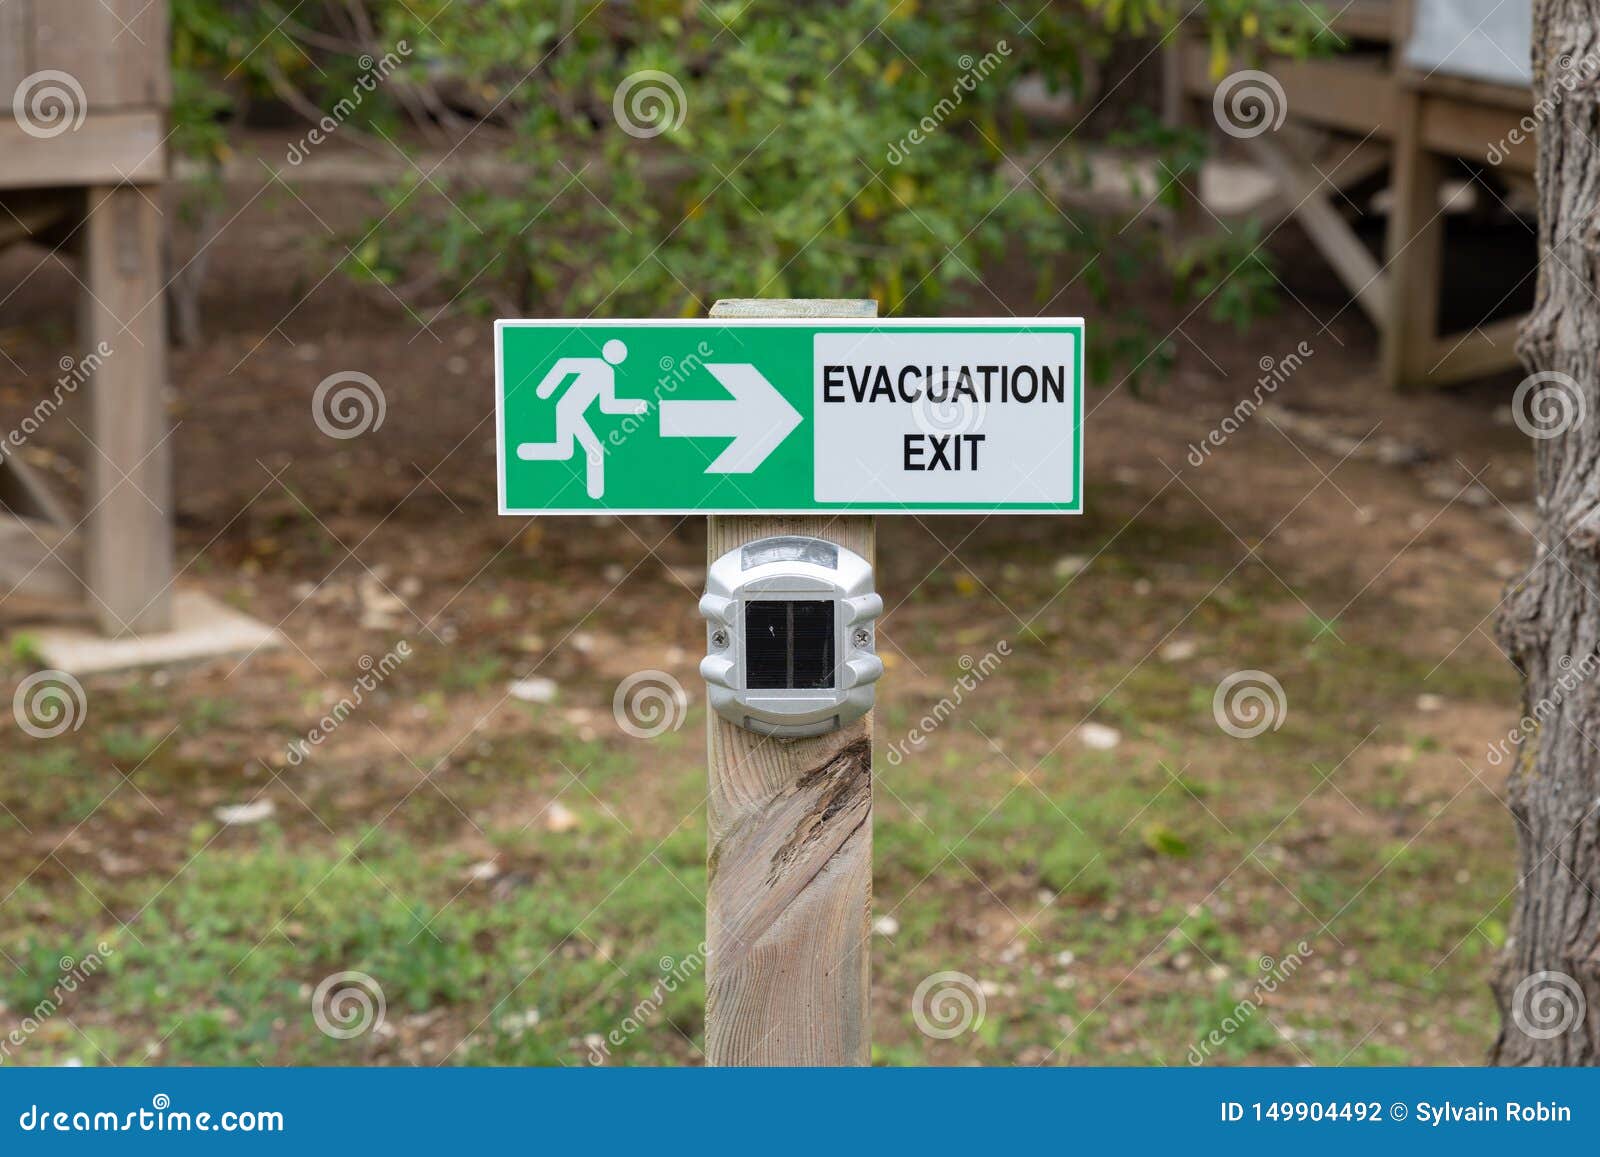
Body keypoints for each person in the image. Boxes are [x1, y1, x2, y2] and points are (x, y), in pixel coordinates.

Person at [515, 339, 647, 499]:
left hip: (568, 410)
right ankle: (595, 492)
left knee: (567, 449)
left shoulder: (606, 372)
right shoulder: (598, 367)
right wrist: (544, 389)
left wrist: (635, 405)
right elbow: (564, 366)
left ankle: (527, 451)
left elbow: (606, 405)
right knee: (590, 450)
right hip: (569, 411)